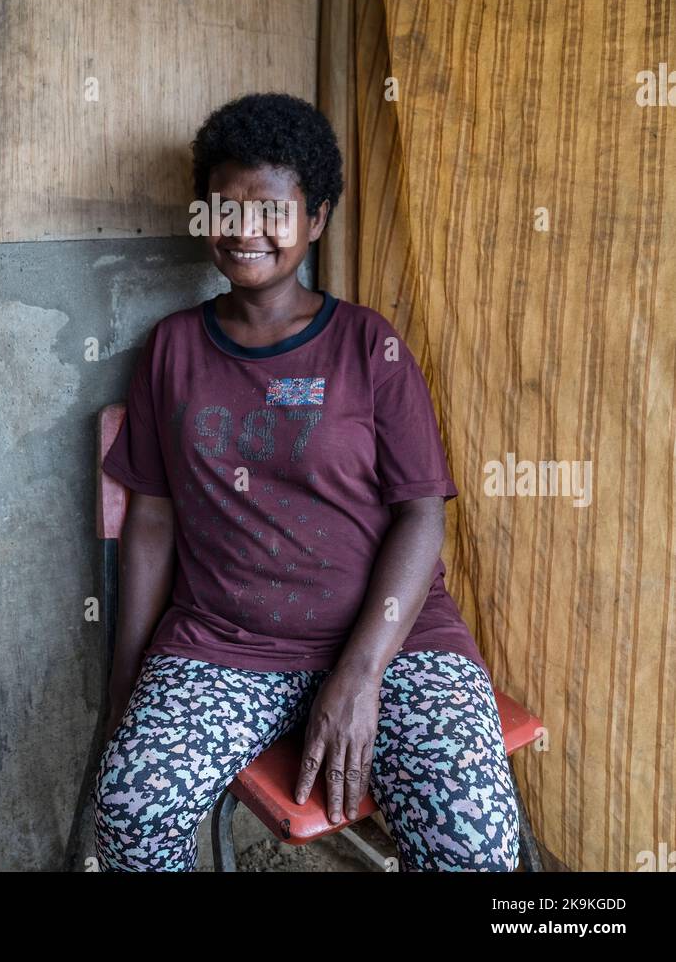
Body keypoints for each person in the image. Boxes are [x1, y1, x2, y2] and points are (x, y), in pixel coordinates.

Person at [91, 92, 519, 872]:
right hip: (224, 643)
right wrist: (128, 681)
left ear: (315, 219)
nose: (245, 230)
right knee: (130, 812)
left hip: (397, 642)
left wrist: (360, 675)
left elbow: (423, 516)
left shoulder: (368, 346)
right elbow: (151, 519)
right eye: (225, 207)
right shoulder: (172, 350)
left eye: (272, 211)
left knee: (476, 845)